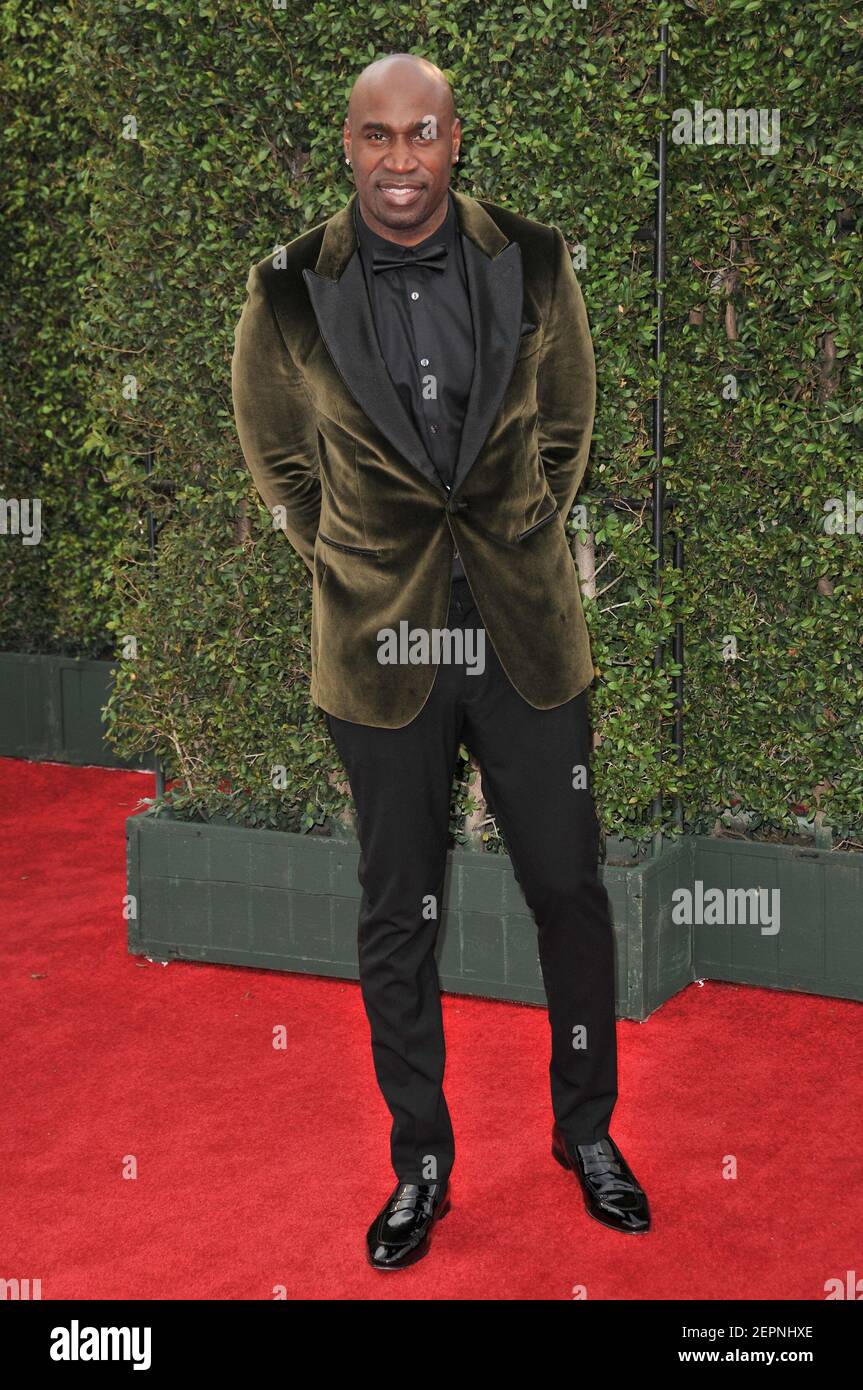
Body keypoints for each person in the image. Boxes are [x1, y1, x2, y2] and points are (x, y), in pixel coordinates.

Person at [231, 52, 650, 1270]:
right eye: (376, 137)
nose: (399, 161)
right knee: (394, 912)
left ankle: (587, 1133)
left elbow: (563, 430)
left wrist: (512, 538)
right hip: (379, 650)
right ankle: (420, 1161)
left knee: (567, 889)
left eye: (422, 135)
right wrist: (351, 563)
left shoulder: (533, 257)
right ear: (348, 144)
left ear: (456, 139)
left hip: (523, 634)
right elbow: (278, 460)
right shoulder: (287, 289)